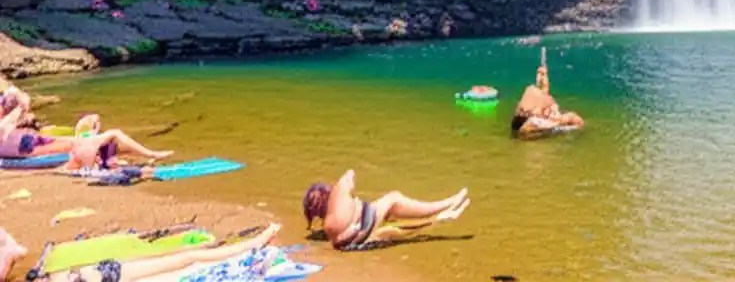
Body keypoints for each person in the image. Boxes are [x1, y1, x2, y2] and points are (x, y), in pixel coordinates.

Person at [36, 222, 281, 281]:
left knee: (187, 258)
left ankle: (254, 244)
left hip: (108, 271)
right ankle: (254, 243)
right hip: (107, 271)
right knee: (188, 259)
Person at [302, 170, 470, 251]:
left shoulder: (328, 226)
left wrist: (354, 215)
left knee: (392, 230)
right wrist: (354, 209)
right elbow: (350, 174)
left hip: (352, 241)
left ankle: (441, 217)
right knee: (393, 198)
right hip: (363, 224)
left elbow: (342, 237)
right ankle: (446, 204)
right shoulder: (338, 191)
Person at [0, 106, 172, 163]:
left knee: (100, 132)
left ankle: (145, 154)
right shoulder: (4, 131)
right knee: (113, 134)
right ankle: (151, 154)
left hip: (38, 142)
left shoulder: (6, 129)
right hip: (33, 147)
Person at [511, 49, 584, 139]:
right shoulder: (534, 94)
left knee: (572, 118)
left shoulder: (532, 91)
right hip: (533, 121)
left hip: (531, 121)